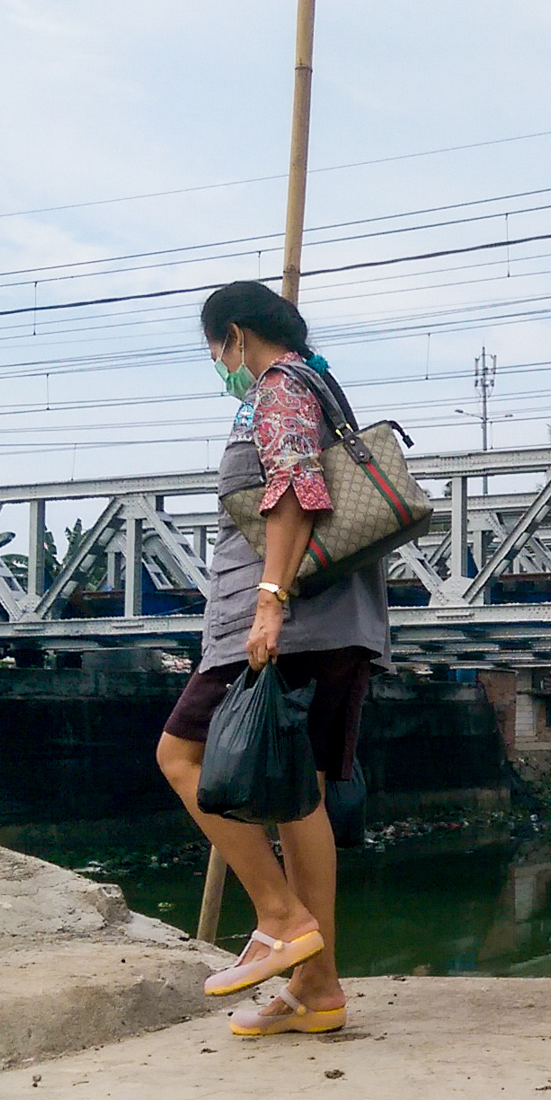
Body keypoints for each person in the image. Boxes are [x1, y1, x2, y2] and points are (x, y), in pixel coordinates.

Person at [154, 281, 390, 1037]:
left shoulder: (279, 388)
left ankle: (280, 917)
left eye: (214, 349)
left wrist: (268, 600)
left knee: (180, 754)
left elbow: (296, 491)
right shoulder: (319, 381)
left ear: (234, 335)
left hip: (283, 629)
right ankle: (317, 988)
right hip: (339, 625)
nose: (218, 363)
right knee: (301, 797)